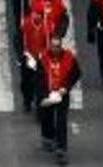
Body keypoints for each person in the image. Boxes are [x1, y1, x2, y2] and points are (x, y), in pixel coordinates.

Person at [37, 35, 81, 164]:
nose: (55, 48)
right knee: (46, 118)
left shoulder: (69, 57)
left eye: (58, 46)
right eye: (53, 46)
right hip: (47, 94)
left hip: (62, 94)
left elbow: (76, 73)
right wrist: (43, 96)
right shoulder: (42, 58)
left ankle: (61, 150)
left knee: (61, 122)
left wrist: (65, 88)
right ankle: (48, 137)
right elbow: (39, 80)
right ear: (49, 46)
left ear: (61, 46)